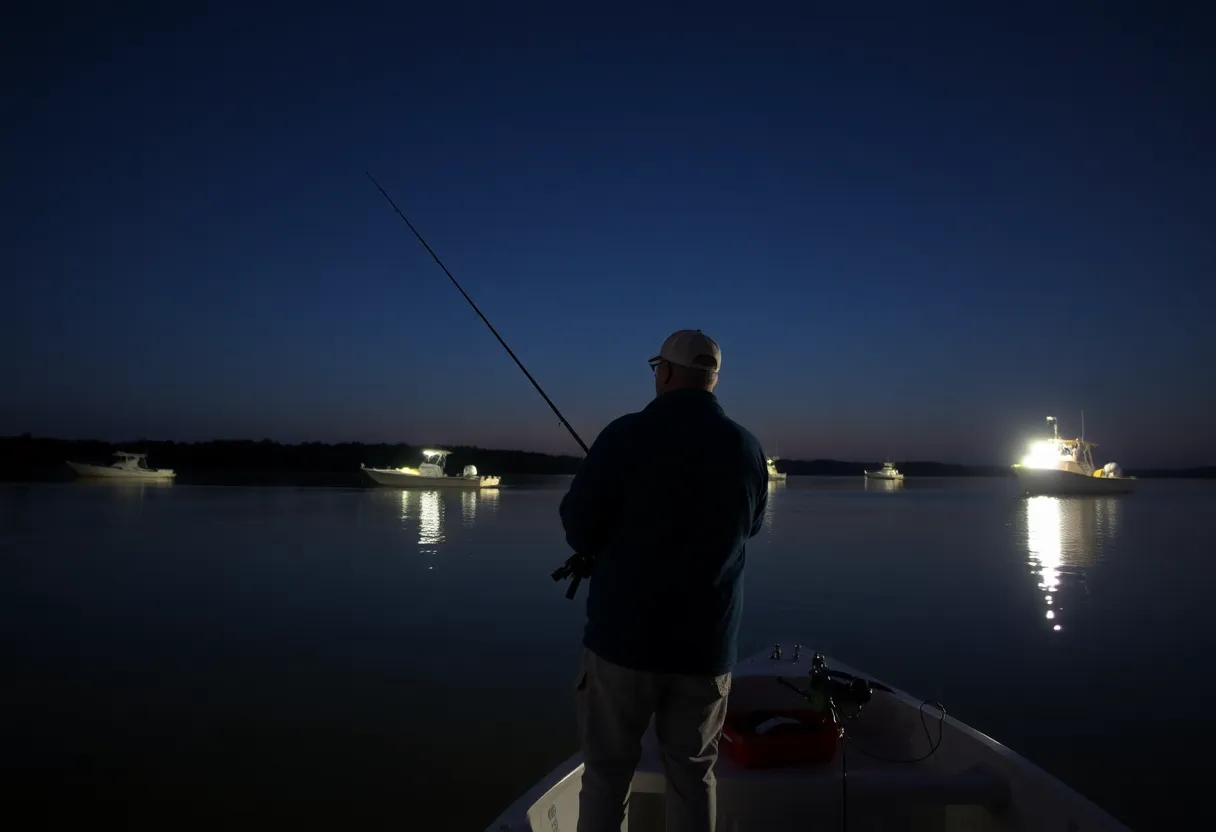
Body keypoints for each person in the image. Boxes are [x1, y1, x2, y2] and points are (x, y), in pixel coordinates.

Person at [559, 329, 769, 832]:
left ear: (667, 372)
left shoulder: (623, 436)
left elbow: (577, 527)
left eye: (657, 366)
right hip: (705, 650)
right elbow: (753, 527)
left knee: (608, 775)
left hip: (621, 645)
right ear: (712, 379)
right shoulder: (747, 449)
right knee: (694, 776)